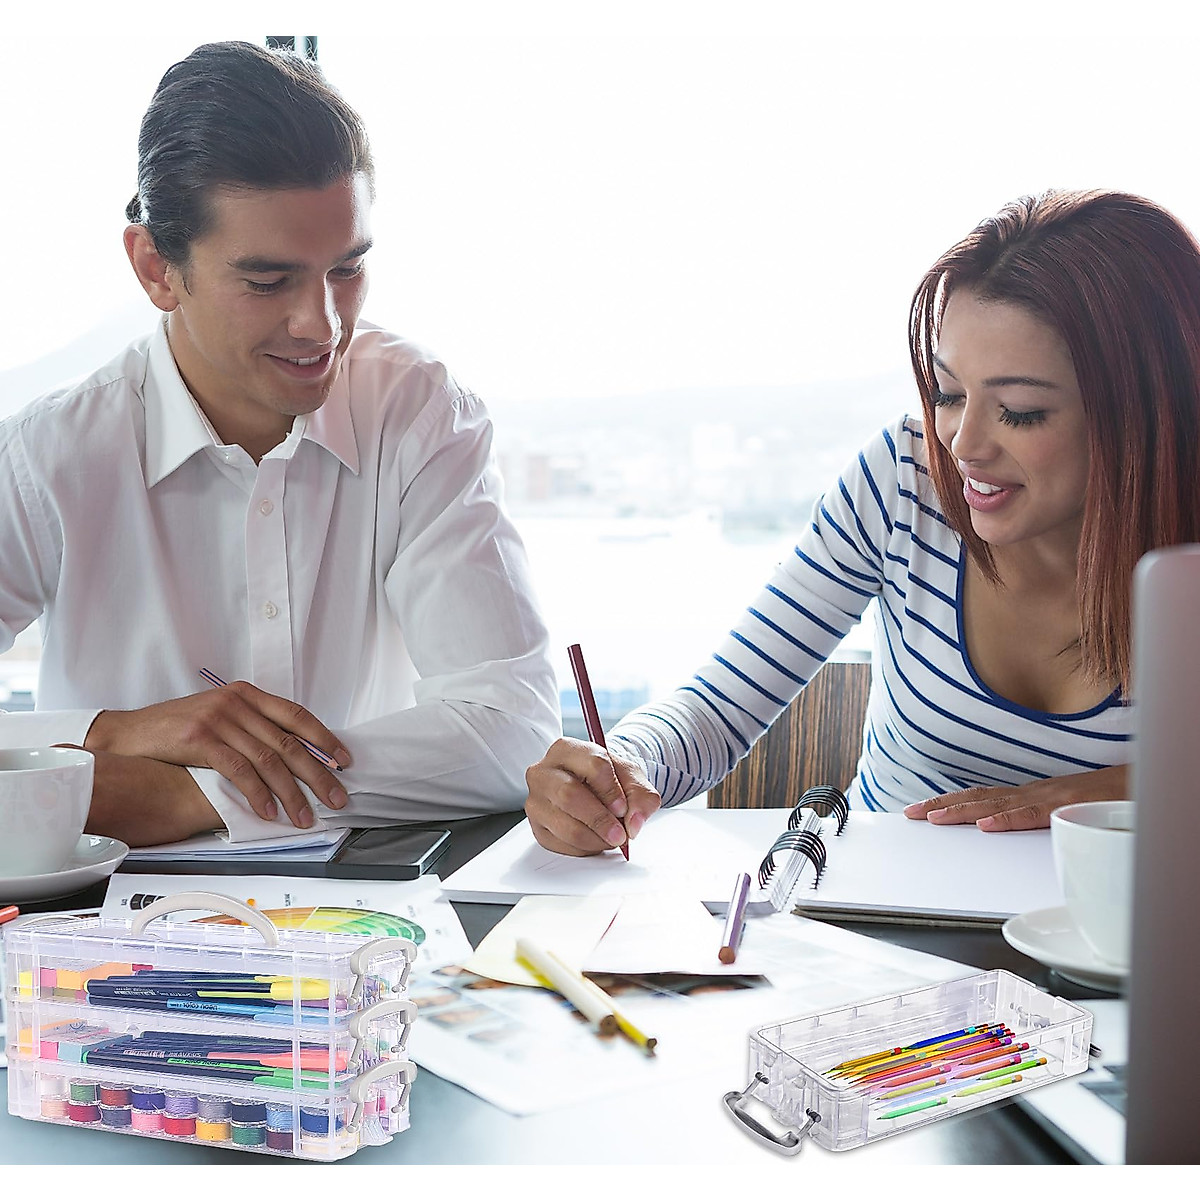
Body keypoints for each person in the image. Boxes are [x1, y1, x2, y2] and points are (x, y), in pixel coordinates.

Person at [0, 41, 559, 848]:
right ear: (155, 268)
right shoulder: (49, 454)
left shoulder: (417, 412)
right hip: (106, 912)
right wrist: (111, 732)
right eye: (268, 282)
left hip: (376, 906)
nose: (320, 324)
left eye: (347, 270)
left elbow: (513, 728)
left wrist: (187, 796)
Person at [524, 189, 1200, 856]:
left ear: (1147, 412)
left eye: (1019, 411)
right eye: (948, 394)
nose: (963, 444)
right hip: (875, 910)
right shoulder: (906, 480)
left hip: (1126, 920)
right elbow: (721, 707)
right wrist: (624, 768)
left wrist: (1132, 792)